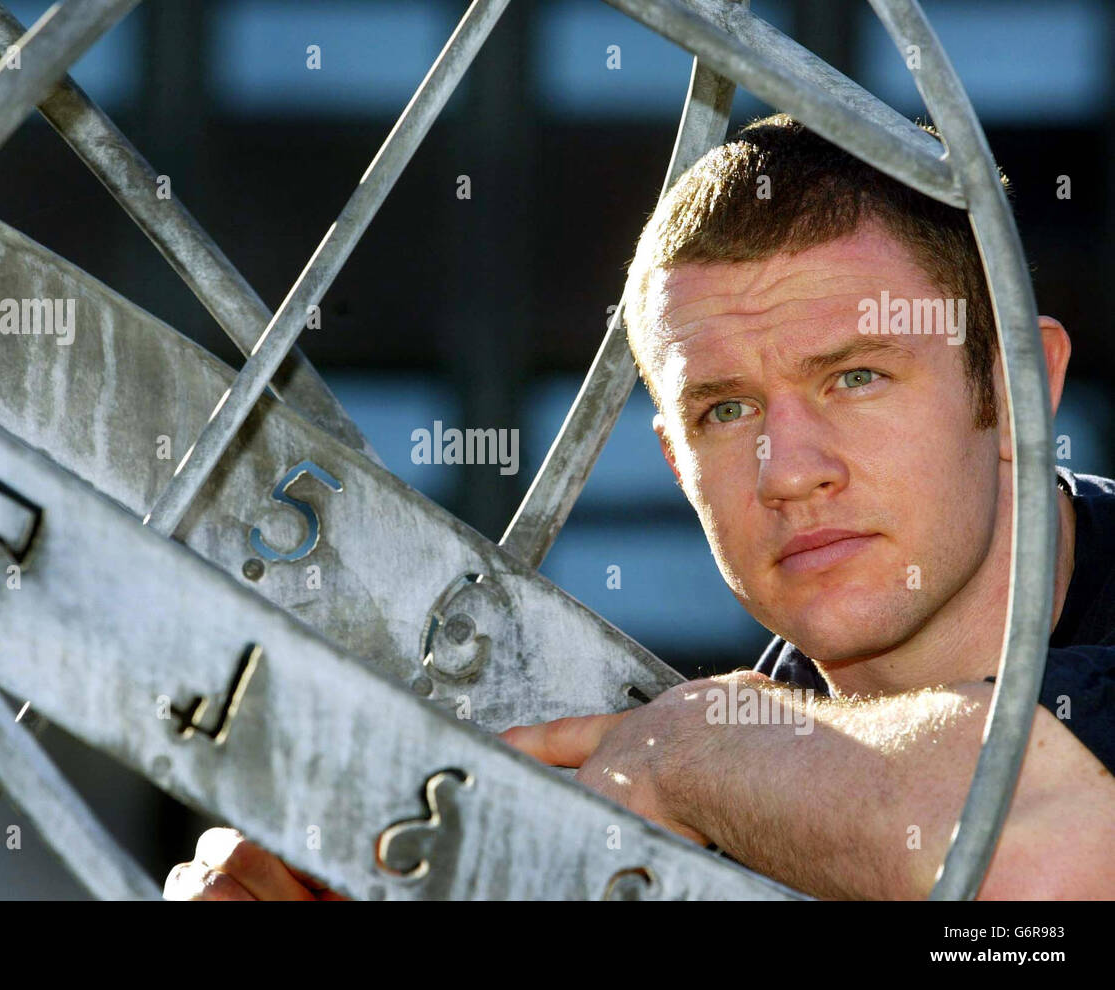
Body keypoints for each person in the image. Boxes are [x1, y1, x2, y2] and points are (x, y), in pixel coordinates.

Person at [164, 114, 1115, 901]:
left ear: (1020, 395)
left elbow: (1039, 868)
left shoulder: (697, 758)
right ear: (674, 460)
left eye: (856, 376)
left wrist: (699, 757)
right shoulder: (698, 784)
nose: (788, 472)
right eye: (726, 410)